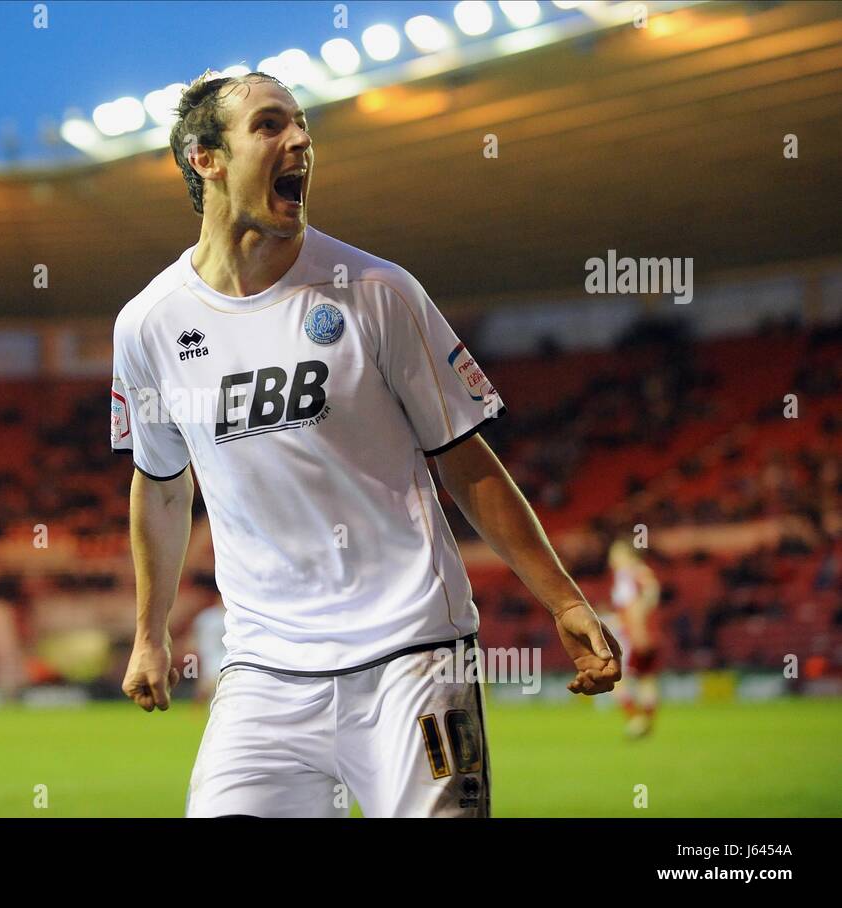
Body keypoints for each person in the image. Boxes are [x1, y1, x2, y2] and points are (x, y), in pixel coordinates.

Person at [111, 71, 621, 817]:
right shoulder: (148, 324)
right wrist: (149, 635)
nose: (301, 140)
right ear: (205, 158)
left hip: (411, 652)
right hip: (263, 670)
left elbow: (465, 459)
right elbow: (160, 484)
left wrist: (564, 599)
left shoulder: (380, 292)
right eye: (270, 125)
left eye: (303, 125)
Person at [608, 539, 662, 738]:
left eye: (614, 554)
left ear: (625, 555)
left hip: (634, 636)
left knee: (614, 679)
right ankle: (646, 722)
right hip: (651, 633)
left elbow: (634, 604)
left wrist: (636, 622)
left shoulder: (626, 575)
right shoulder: (642, 571)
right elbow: (652, 593)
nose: (611, 559)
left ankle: (635, 720)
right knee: (647, 679)